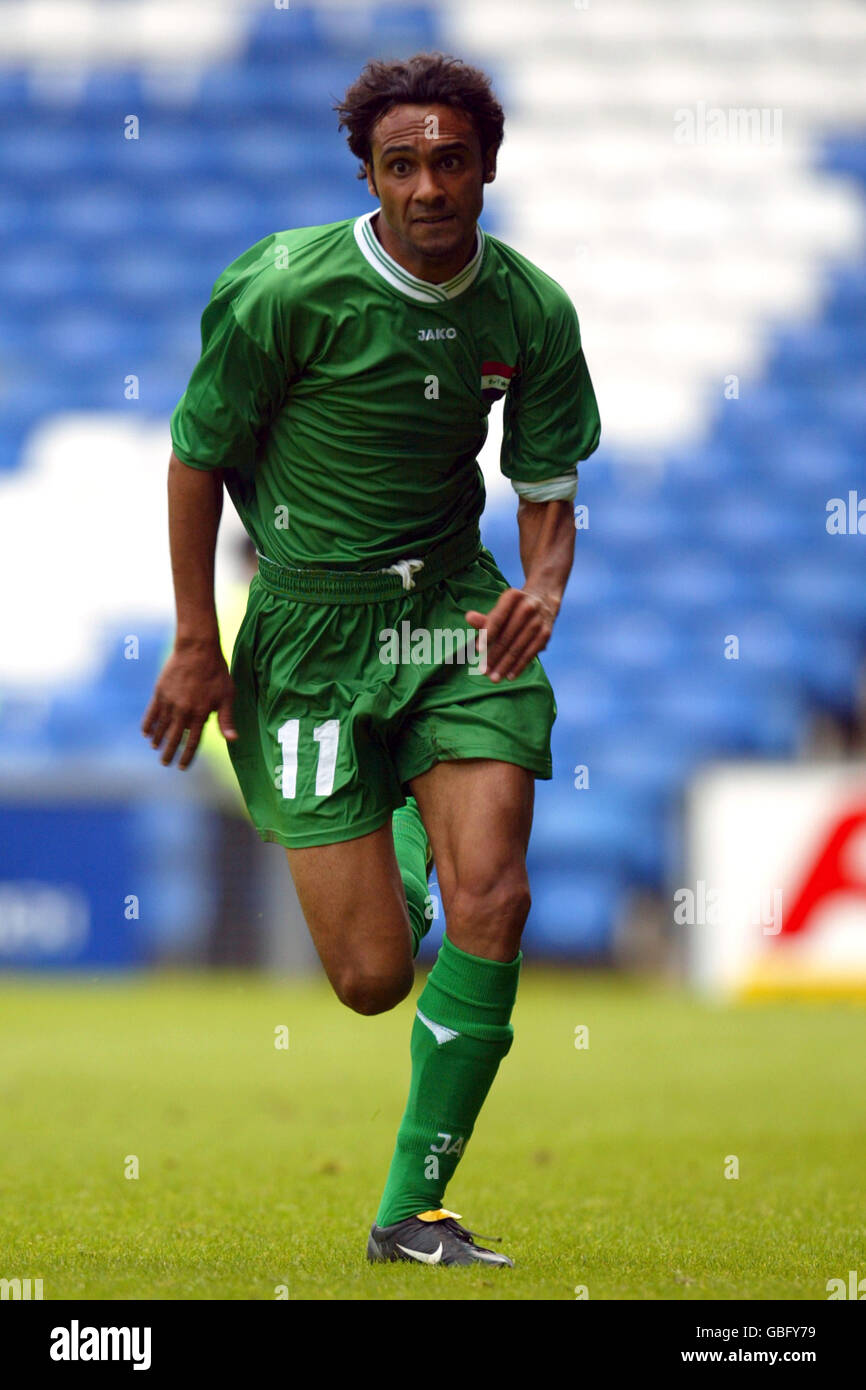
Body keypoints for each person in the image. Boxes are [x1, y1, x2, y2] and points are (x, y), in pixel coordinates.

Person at [142, 51, 600, 1268]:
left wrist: (540, 589)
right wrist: (200, 640)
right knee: (366, 978)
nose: (429, 185)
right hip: (303, 625)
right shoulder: (287, 290)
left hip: (453, 613)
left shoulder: (532, 311)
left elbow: (546, 490)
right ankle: (396, 807)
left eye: (452, 160)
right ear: (368, 174)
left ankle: (413, 1211)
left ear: (487, 167)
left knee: (494, 894)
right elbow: (195, 458)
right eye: (403, 164)